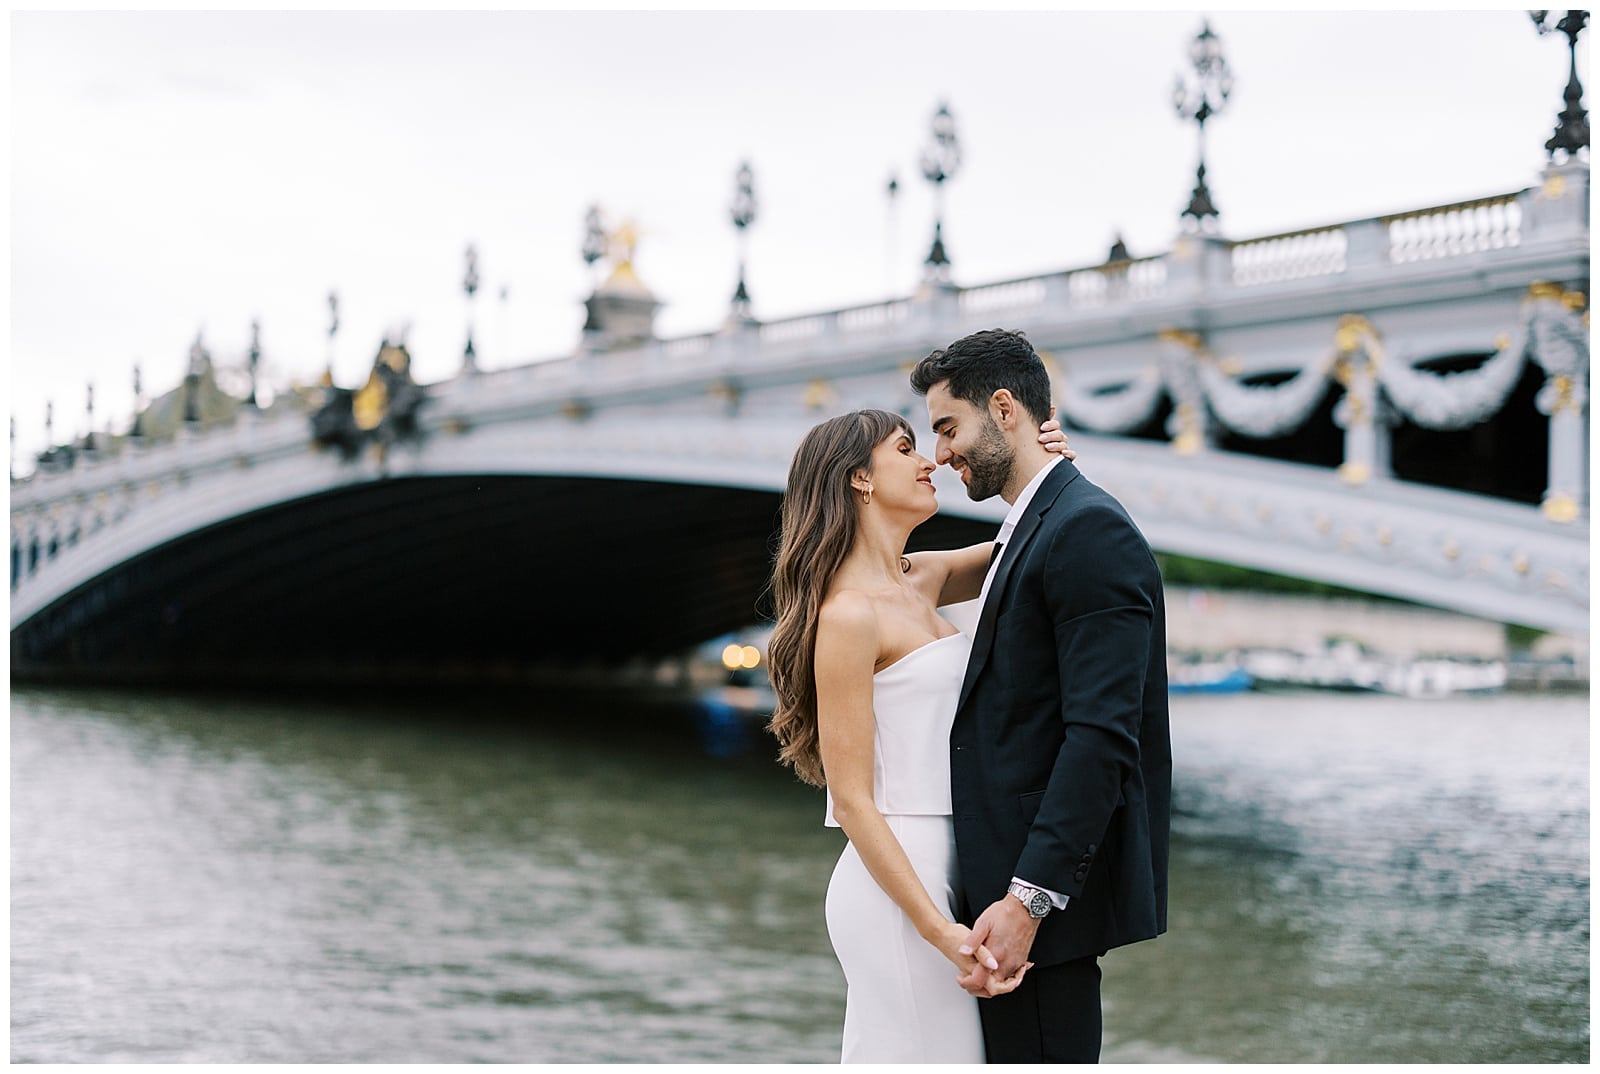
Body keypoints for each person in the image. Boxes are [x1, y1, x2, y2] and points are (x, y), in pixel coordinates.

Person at [765, 407, 1074, 1063]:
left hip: (959, 858)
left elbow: (1042, 542)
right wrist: (937, 929)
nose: (929, 460)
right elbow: (852, 800)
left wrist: (1045, 465)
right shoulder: (848, 616)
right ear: (860, 478)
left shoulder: (922, 578)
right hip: (900, 884)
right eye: (905, 448)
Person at [910, 328, 1171, 1063]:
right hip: (992, 892)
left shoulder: (1088, 530)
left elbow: (1101, 738)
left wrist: (1029, 901)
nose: (941, 454)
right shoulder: (1035, 524)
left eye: (948, 428)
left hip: (1030, 915)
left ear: (1004, 409)